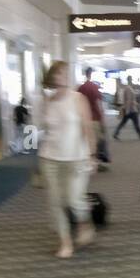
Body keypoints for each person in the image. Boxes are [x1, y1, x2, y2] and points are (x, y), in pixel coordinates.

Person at [40, 60, 96, 258]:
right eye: (57, 73)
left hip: (77, 157)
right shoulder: (48, 100)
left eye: (64, 73)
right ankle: (65, 243)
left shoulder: (78, 98)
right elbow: (45, 130)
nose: (61, 76)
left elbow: (88, 128)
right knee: (55, 201)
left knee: (74, 198)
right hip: (50, 157)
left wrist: (92, 155)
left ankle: (84, 224)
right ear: (52, 77)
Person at [77, 67, 109, 170]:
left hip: (83, 119)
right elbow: (98, 104)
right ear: (91, 74)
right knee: (95, 141)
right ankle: (94, 163)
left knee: (85, 141)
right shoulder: (94, 87)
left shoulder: (80, 88)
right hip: (94, 118)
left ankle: (87, 161)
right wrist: (102, 119)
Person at [113, 75, 140, 139]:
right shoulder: (128, 88)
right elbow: (128, 100)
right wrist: (127, 110)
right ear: (129, 80)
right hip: (131, 110)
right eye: (131, 79)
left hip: (130, 109)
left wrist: (135, 103)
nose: (131, 80)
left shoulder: (129, 87)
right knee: (134, 123)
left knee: (125, 123)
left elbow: (131, 99)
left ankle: (116, 133)